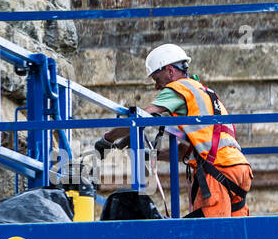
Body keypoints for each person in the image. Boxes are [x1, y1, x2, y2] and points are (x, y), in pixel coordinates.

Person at [96, 44, 252, 217]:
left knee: (210, 236)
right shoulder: (204, 92)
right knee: (236, 236)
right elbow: (184, 151)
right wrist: (149, 155)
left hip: (218, 171)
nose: (157, 86)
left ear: (170, 71)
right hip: (239, 169)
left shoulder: (178, 89)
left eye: (156, 79)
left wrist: (107, 140)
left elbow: (140, 117)